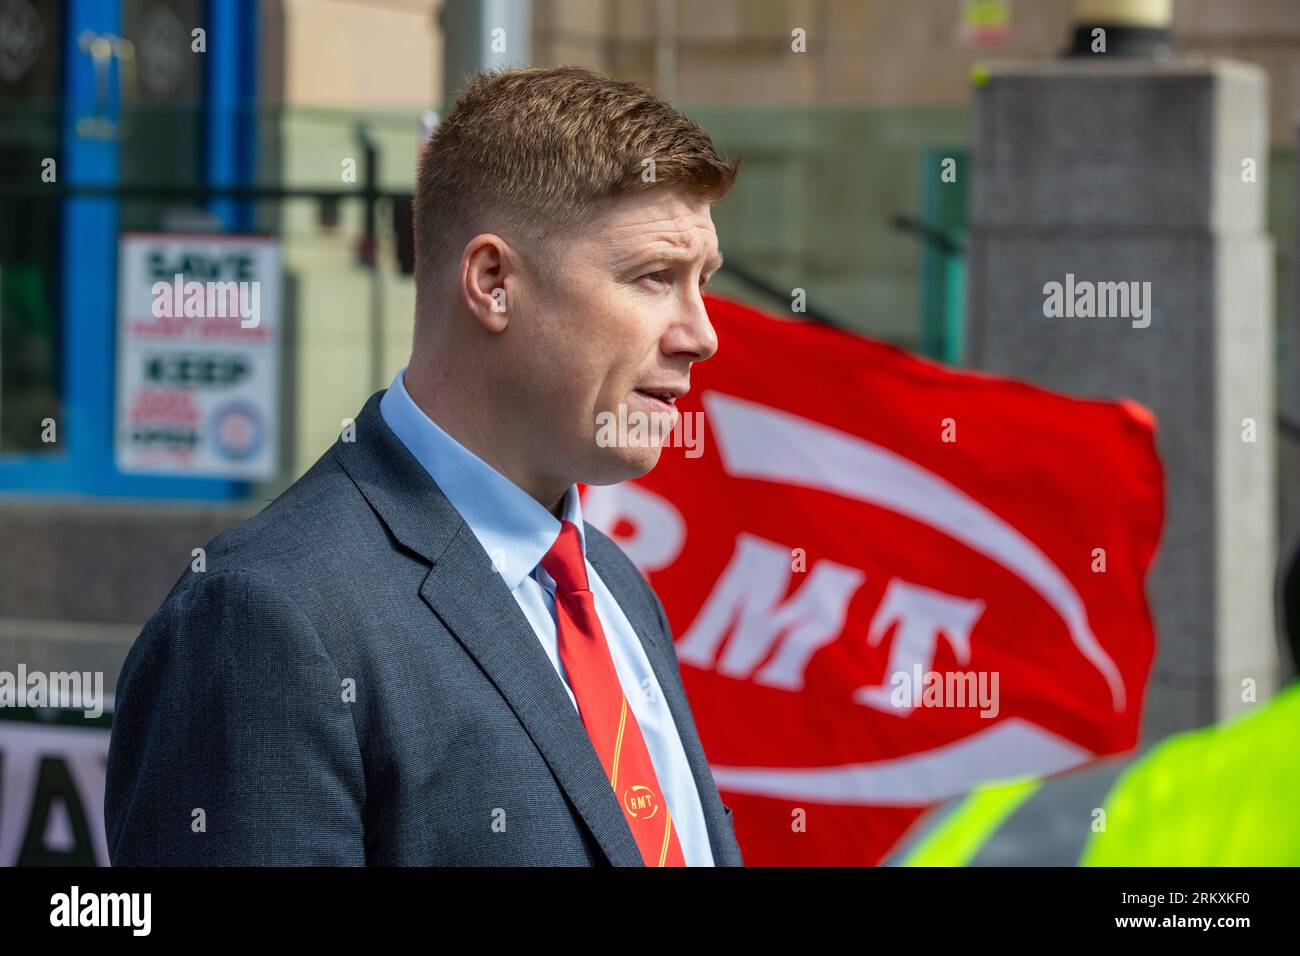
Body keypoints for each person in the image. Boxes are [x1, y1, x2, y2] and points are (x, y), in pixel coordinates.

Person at [105, 66, 743, 867]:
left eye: (704, 282)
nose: (701, 333)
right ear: (492, 282)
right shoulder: (263, 619)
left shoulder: (616, 588)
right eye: (655, 277)